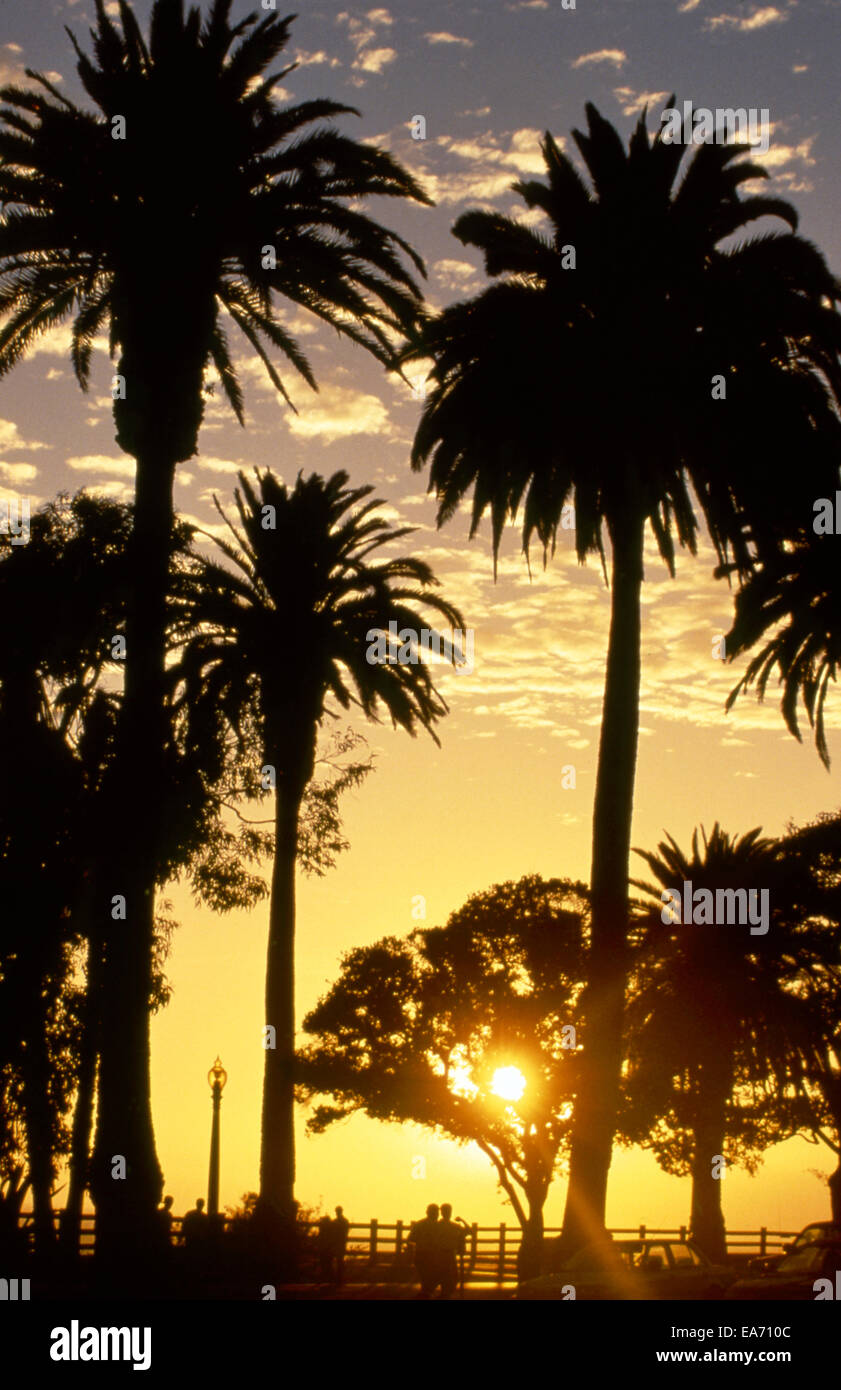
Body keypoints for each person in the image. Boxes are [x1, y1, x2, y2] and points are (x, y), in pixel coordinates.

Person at [434, 1203, 467, 1299]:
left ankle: (444, 1295)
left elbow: (468, 1231)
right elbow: (469, 1231)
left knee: (448, 1277)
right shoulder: (452, 1225)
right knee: (449, 1277)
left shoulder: (440, 1225)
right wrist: (462, 1220)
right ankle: (445, 1295)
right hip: (445, 1254)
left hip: (445, 1254)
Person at [410, 1203, 439, 1298]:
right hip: (429, 1255)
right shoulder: (439, 1225)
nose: (437, 1215)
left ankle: (424, 1295)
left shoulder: (419, 1224)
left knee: (425, 1278)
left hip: (421, 1254)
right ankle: (425, 1295)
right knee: (430, 1279)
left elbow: (410, 1238)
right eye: (436, 1212)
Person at [333, 1206, 350, 1286]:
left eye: (337, 1211)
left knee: (339, 1260)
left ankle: (339, 1278)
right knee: (340, 1260)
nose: (337, 1213)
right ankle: (340, 1278)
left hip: (338, 1242)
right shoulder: (345, 1221)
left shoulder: (336, 1222)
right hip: (341, 1242)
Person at [316, 1214, 335, 1283]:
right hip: (328, 1248)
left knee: (324, 1263)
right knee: (328, 1264)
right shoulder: (331, 1229)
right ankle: (330, 1279)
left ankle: (325, 1278)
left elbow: (319, 1238)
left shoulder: (323, 1230)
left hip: (324, 1248)